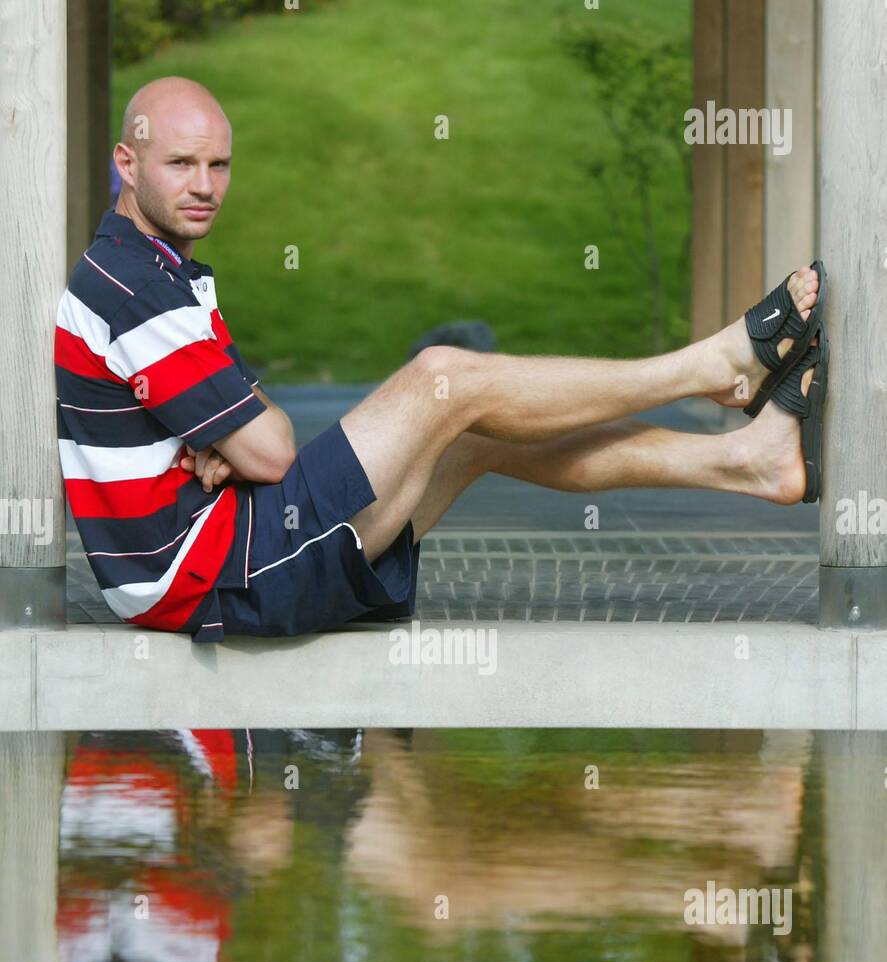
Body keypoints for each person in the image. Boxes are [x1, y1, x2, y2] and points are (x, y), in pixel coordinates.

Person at [55, 77, 826, 644]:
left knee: (472, 433)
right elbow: (269, 447)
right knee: (440, 378)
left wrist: (227, 441)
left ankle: (748, 463)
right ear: (128, 163)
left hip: (218, 550)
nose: (205, 187)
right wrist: (236, 441)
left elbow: (243, 438)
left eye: (218, 166)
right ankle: (713, 368)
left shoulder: (151, 266)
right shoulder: (131, 287)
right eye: (182, 164)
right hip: (211, 571)